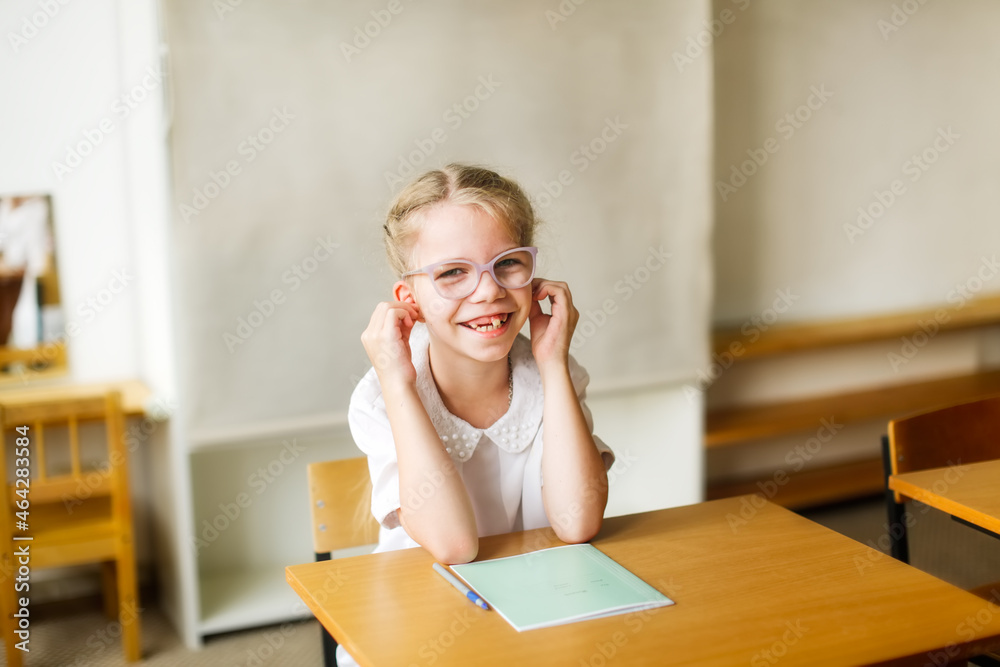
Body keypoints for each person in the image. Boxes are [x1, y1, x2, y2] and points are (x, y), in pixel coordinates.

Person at [343, 163, 613, 665]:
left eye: (507, 263)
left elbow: (577, 522)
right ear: (409, 300)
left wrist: (553, 364)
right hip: (419, 620)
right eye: (452, 273)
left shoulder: (553, 372)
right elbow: (454, 547)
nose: (488, 291)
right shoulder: (382, 397)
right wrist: (398, 384)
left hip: (537, 608)